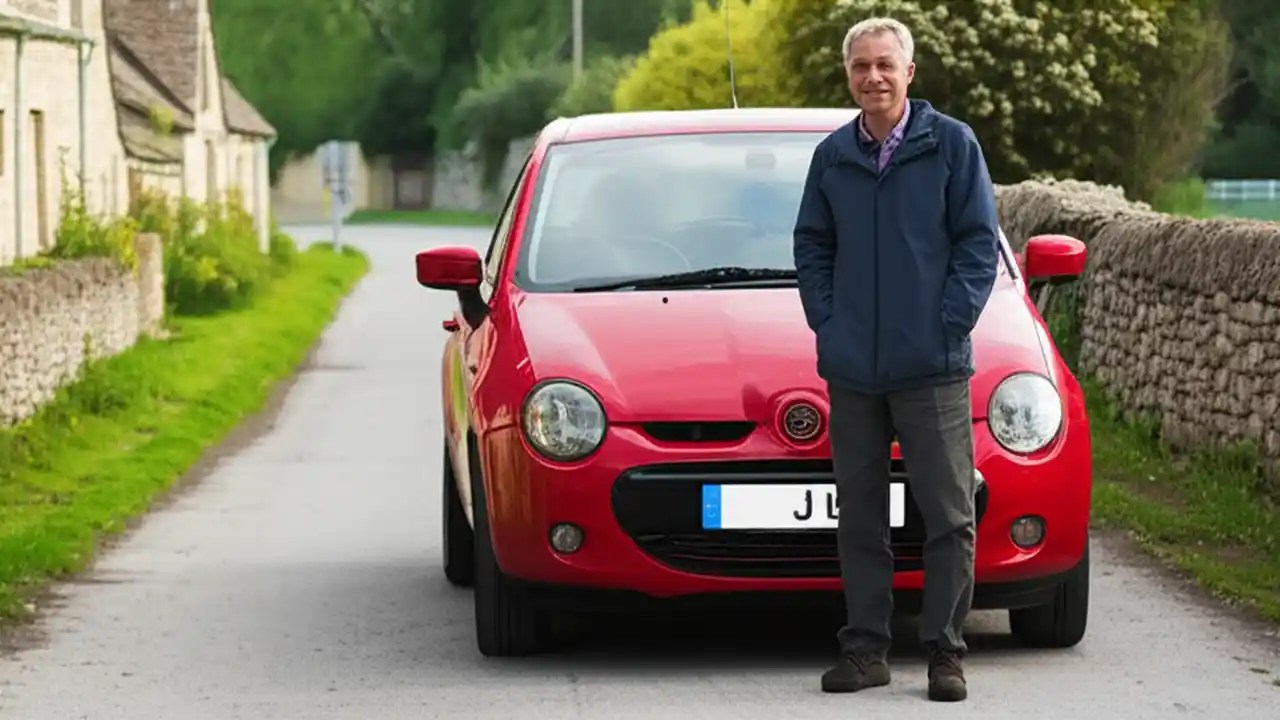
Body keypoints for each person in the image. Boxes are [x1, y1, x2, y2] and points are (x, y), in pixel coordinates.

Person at [792, 17, 999, 703]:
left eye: (885, 64)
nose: (872, 77)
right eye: (860, 66)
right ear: (848, 74)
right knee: (859, 515)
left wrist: (948, 323)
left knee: (947, 514)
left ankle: (945, 653)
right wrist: (829, 320)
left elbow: (977, 245)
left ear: (910, 72)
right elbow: (812, 244)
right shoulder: (832, 156)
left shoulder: (952, 146)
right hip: (853, 368)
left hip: (932, 365)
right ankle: (866, 651)